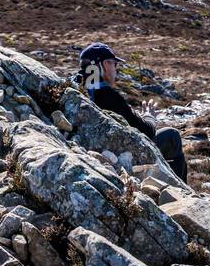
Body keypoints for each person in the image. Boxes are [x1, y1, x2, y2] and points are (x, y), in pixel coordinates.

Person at [77, 42, 188, 181]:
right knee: (172, 136)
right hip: (121, 155)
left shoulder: (79, 89)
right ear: (105, 64)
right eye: (114, 64)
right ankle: (181, 191)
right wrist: (149, 117)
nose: (115, 70)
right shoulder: (106, 94)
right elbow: (147, 132)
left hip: (91, 151)